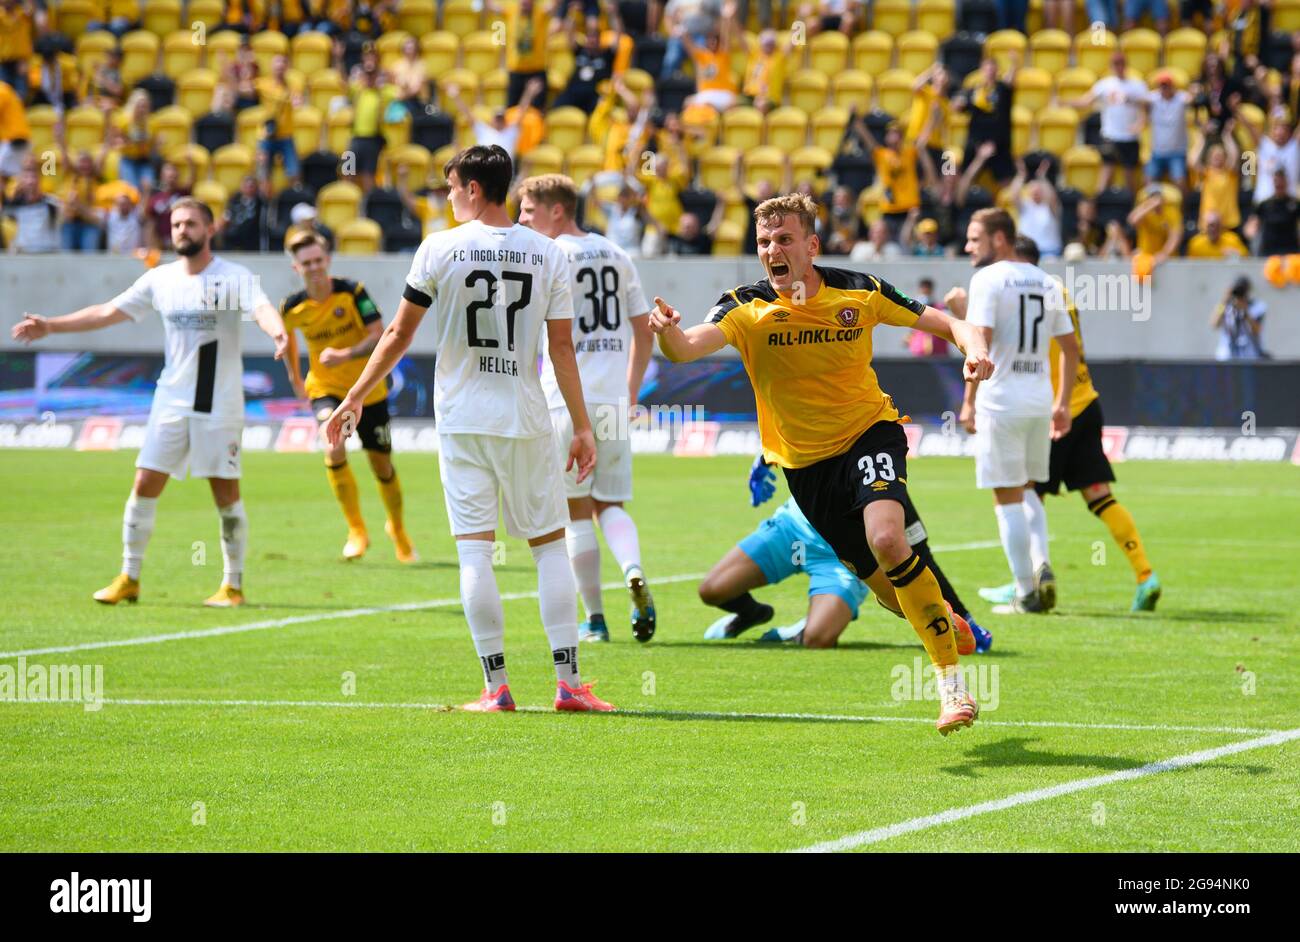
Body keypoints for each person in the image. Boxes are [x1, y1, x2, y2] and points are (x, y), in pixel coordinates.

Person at [647, 192, 994, 735]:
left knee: (888, 539)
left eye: (784, 239)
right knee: (889, 591)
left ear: (811, 244)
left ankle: (952, 690)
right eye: (763, 242)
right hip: (806, 470)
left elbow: (951, 325)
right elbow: (687, 348)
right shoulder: (746, 305)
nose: (772, 250)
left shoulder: (860, 290)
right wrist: (667, 331)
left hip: (869, 435)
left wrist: (973, 350)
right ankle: (944, 619)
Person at [321, 145, 611, 714]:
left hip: (460, 420)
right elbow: (560, 350)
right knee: (550, 547)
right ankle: (570, 685)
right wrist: (582, 426)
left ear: (474, 189)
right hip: (526, 417)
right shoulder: (549, 254)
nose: (449, 196)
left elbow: (398, 335)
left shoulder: (438, 248)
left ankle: (496, 687)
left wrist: (353, 396)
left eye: (452, 186)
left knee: (476, 553)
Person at [11, 198, 289, 606]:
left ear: (209, 230)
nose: (182, 230)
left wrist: (277, 333)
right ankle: (130, 576)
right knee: (143, 483)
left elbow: (261, 308)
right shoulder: (160, 279)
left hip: (219, 404)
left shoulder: (233, 277)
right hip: (171, 400)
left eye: (191, 224)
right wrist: (51, 325)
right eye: (176, 224)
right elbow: (108, 311)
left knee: (225, 492)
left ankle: (233, 585)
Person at [953, 235, 1161, 613]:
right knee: (1100, 496)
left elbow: (992, 339)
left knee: (1021, 495)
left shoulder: (1013, 291)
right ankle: (1146, 574)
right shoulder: (1057, 290)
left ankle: (1029, 580)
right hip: (1085, 402)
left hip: (1048, 411)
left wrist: (962, 310)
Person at [517, 173, 657, 643]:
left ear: (557, 210)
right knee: (610, 504)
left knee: (575, 511)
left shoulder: (548, 256)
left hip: (566, 400)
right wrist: (631, 392)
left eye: (528, 211)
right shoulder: (618, 253)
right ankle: (633, 569)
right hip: (614, 399)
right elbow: (644, 330)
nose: (522, 219)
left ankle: (595, 619)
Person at [700, 461, 992, 651]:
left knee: (818, 640)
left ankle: (799, 629)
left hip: (841, 557)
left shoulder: (874, 455)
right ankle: (753, 614)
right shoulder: (807, 421)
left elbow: (918, 552)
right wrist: (763, 460)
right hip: (792, 530)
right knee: (711, 591)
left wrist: (962, 616)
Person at [956, 209, 1079, 615]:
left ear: (1000, 240)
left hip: (1002, 401)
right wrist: (1062, 404)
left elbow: (980, 347)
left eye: (976, 238)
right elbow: (1070, 347)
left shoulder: (987, 280)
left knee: (1005, 497)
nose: (969, 246)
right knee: (1027, 488)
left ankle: (1025, 594)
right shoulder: (1047, 281)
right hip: (1039, 401)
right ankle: (1040, 561)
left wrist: (969, 402)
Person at [280, 230, 417, 563]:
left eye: (317, 260)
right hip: (325, 390)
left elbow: (378, 335)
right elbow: (288, 344)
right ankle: (356, 530)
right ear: (296, 268)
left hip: (368, 392)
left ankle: (397, 529)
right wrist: (296, 379)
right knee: (333, 444)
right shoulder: (293, 307)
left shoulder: (352, 292)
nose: (313, 267)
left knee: (381, 464)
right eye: (305, 263)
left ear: (327, 261)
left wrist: (343, 354)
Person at [1068, 52, 1147, 194]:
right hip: (1110, 134)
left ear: (1126, 65)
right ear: (1111, 66)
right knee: (1106, 172)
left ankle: (1129, 205)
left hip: (1129, 136)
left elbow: (1146, 107)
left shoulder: (1137, 85)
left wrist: (1140, 123)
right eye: (1115, 64)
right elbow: (1086, 101)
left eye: (1121, 64)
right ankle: (1099, 205)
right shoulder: (1104, 84)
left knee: (1129, 176)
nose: (1119, 67)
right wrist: (1065, 102)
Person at [1008, 157, 1062, 259]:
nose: (1036, 192)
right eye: (1033, 190)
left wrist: (1042, 178)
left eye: (1038, 190)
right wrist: (1021, 175)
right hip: (1027, 251)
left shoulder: (1050, 207)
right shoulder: (1025, 207)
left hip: (1049, 251)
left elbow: (1052, 197)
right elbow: (1014, 195)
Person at [1145, 72, 1190, 191]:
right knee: (1148, 179)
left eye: (1167, 85)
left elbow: (1191, 98)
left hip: (1177, 152)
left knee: (1180, 181)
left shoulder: (1180, 98)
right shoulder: (1154, 98)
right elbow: (1139, 98)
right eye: (1162, 86)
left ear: (1172, 86)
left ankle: (1184, 208)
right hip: (1157, 152)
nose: (1164, 89)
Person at [1244, 168, 1300, 257]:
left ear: (1286, 183)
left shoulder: (1295, 204)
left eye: (1281, 181)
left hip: (1291, 251)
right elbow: (1251, 226)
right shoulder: (1265, 205)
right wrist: (1251, 229)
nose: (1279, 184)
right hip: (1269, 252)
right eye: (1276, 181)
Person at [1212, 276, 1267, 361]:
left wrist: (1245, 311)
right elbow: (1214, 324)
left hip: (1249, 355)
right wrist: (1224, 301)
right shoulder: (1224, 306)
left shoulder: (1257, 306)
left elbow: (1257, 330)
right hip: (1227, 355)